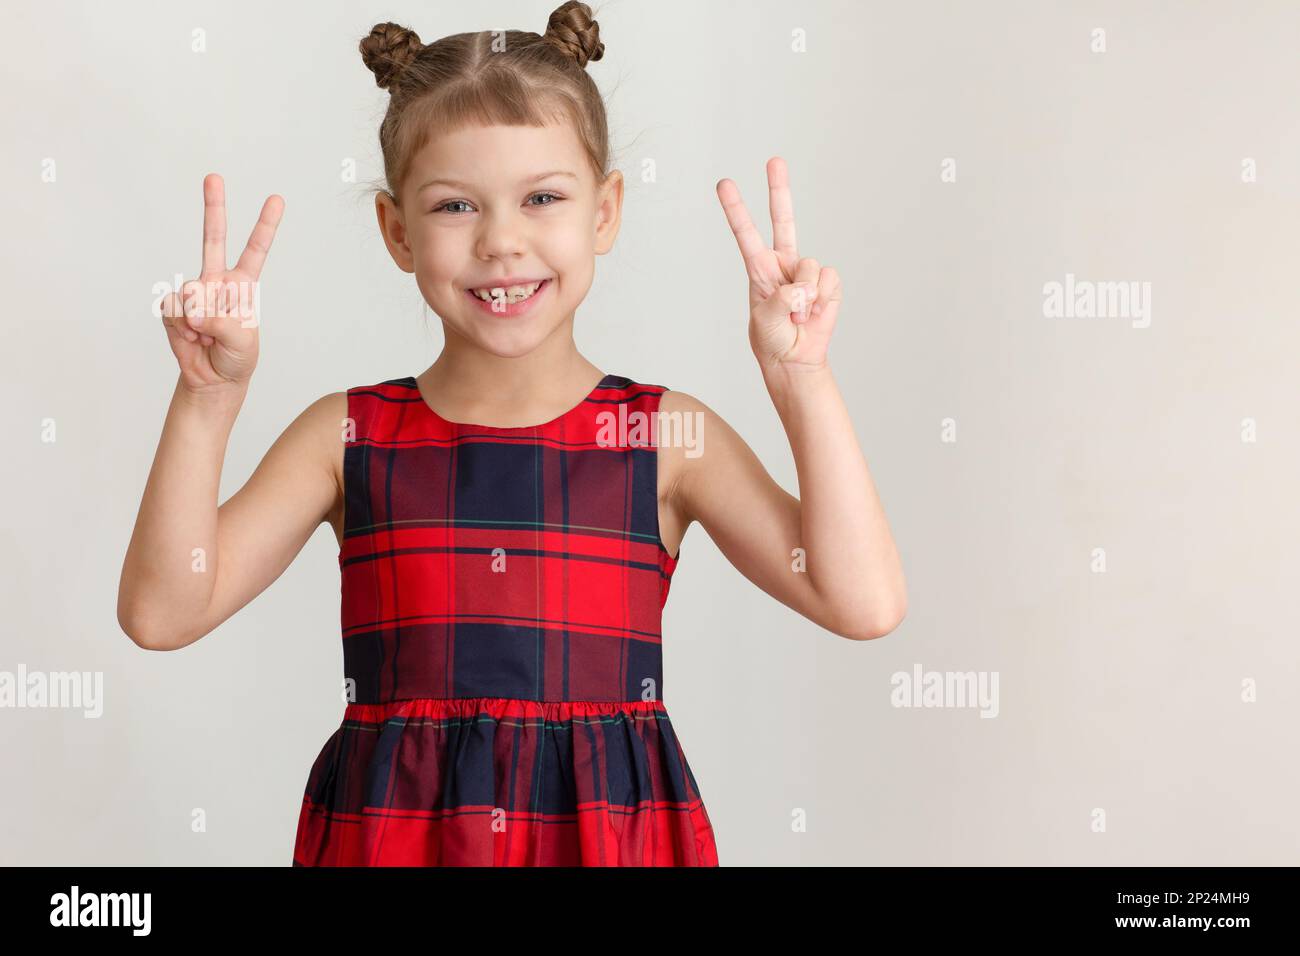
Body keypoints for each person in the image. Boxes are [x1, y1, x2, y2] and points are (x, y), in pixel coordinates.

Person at [117, 1, 906, 867]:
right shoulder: (347, 436)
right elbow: (162, 613)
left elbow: (861, 602)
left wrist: (802, 379)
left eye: (543, 198)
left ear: (604, 212)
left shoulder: (665, 436)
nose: (501, 241)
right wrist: (206, 397)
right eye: (455, 205)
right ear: (396, 232)